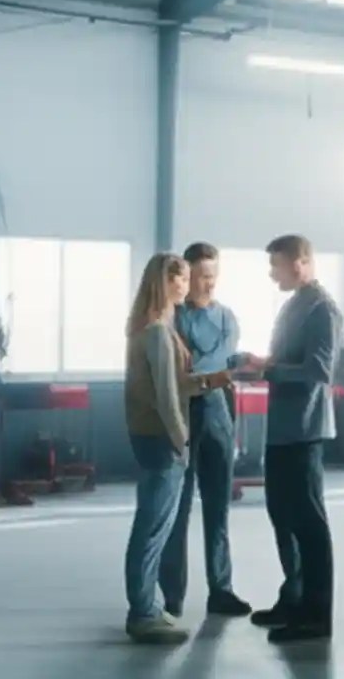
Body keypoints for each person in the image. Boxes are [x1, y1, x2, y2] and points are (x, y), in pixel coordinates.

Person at [122, 252, 233, 644]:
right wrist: (181, 441)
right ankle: (143, 612)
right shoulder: (156, 331)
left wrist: (214, 379)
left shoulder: (156, 329)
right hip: (160, 439)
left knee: (154, 525)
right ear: (165, 281)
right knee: (152, 529)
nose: (187, 285)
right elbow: (167, 398)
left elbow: (178, 383)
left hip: (151, 437)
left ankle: (149, 607)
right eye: (182, 277)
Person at [243, 234, 343, 643]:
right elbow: (285, 361)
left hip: (304, 431)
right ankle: (294, 597)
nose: (272, 274)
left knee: (309, 524)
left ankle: (316, 615)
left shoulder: (322, 310)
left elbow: (319, 372)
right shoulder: (291, 305)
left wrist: (268, 371)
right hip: (282, 429)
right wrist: (260, 363)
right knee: (282, 517)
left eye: (277, 265)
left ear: (300, 263)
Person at [160, 242, 253, 619]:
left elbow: (228, 365)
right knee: (176, 510)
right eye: (201, 278)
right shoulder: (173, 319)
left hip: (218, 411)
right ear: (187, 277)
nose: (208, 285)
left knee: (218, 508)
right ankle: (172, 597)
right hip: (183, 412)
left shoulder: (228, 319)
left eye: (213, 277)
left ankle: (221, 589)